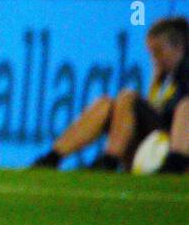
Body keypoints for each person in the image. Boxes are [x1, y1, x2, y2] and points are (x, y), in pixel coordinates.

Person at [32, 17, 189, 173]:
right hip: (155, 143)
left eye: (158, 52)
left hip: (175, 148)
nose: (155, 60)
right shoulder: (167, 77)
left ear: (179, 47)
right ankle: (52, 157)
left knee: (129, 98)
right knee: (105, 104)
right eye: (152, 54)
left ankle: (111, 160)